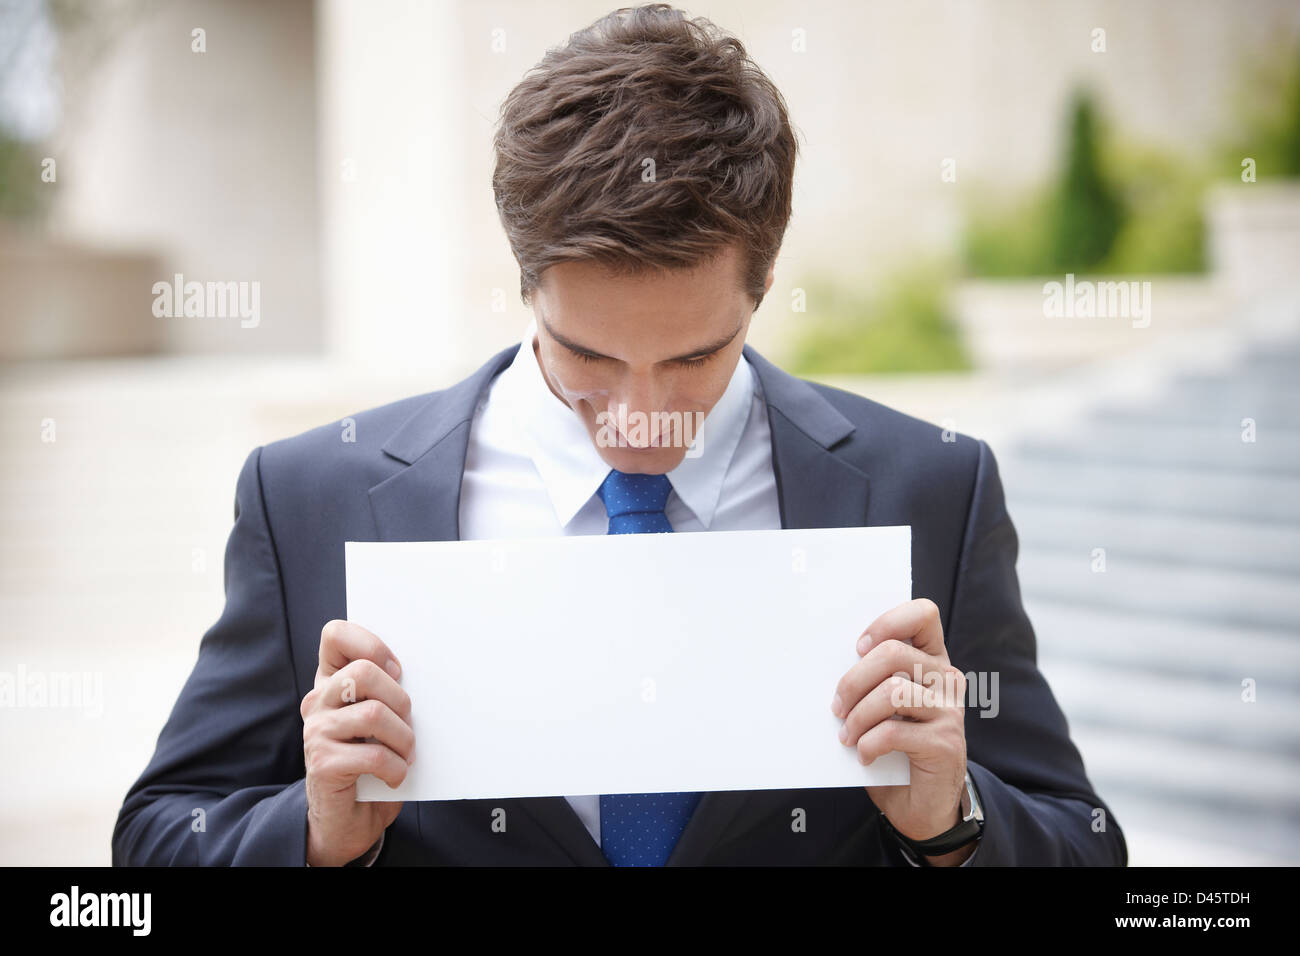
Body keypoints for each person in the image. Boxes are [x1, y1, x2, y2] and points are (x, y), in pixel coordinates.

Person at [113, 3, 1126, 867]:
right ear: (525, 284)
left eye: (692, 357)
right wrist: (314, 831)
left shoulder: (931, 488)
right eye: (588, 358)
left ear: (763, 284)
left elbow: (1085, 840)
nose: (640, 416)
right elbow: (154, 835)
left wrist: (954, 820)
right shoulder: (307, 498)